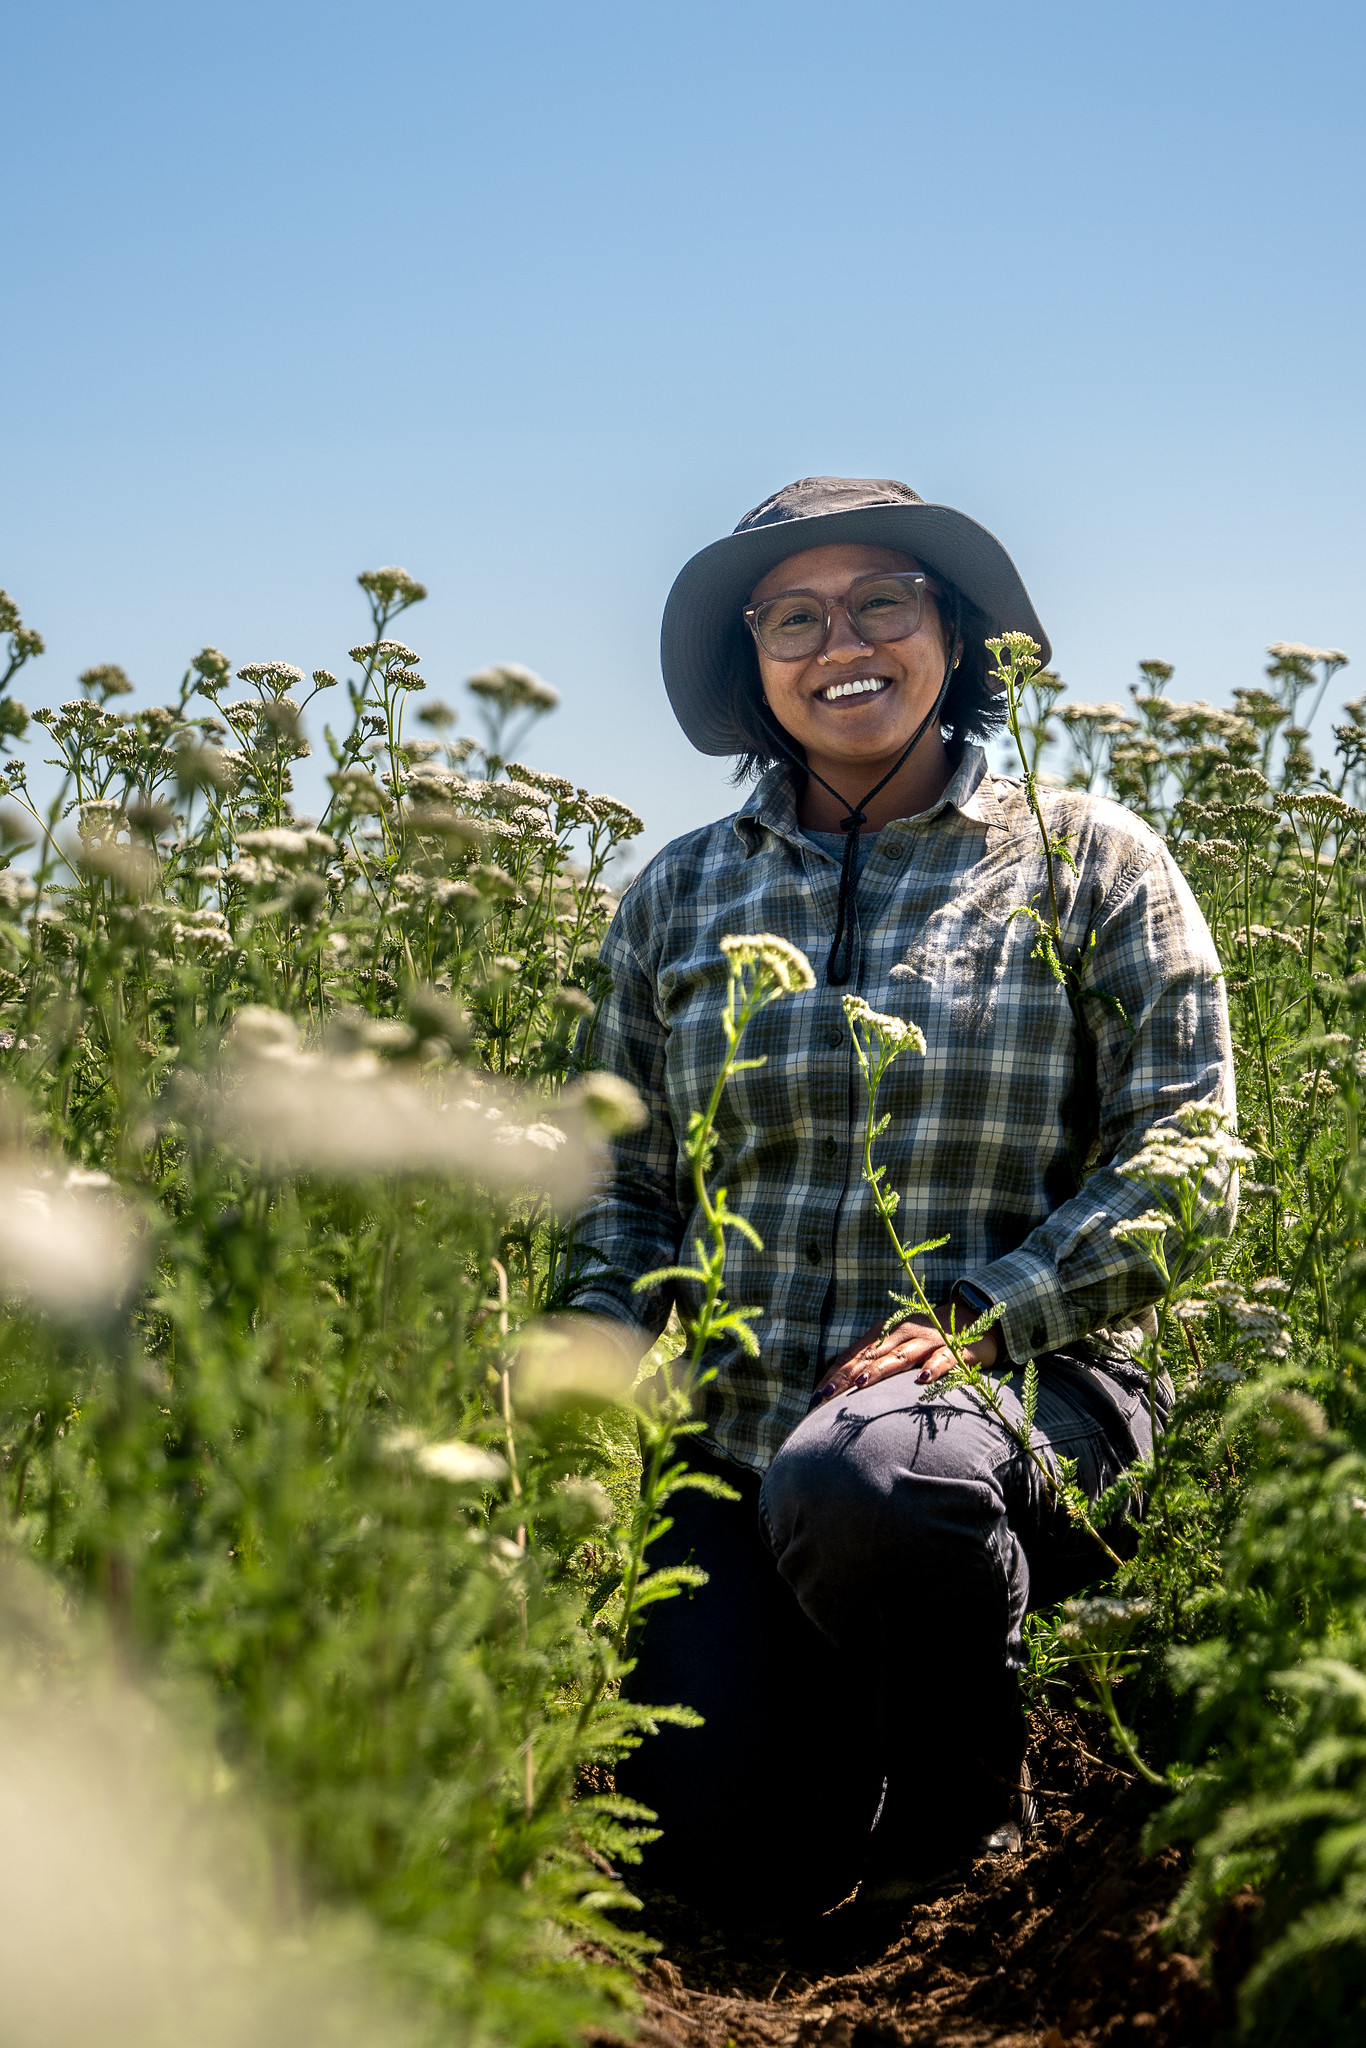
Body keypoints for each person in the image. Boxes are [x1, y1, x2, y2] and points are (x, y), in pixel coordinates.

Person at [565, 477, 1234, 1919]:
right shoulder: (677, 895)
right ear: (753, 662)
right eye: (792, 615)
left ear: (954, 635)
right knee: (713, 1866)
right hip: (735, 1446)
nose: (839, 640)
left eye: (882, 600)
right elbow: (615, 1181)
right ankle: (833, 1741)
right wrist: (593, 1355)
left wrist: (982, 1320)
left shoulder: (1086, 859)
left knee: (870, 1475)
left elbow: (1188, 1153)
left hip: (1009, 1411)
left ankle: (963, 1804)